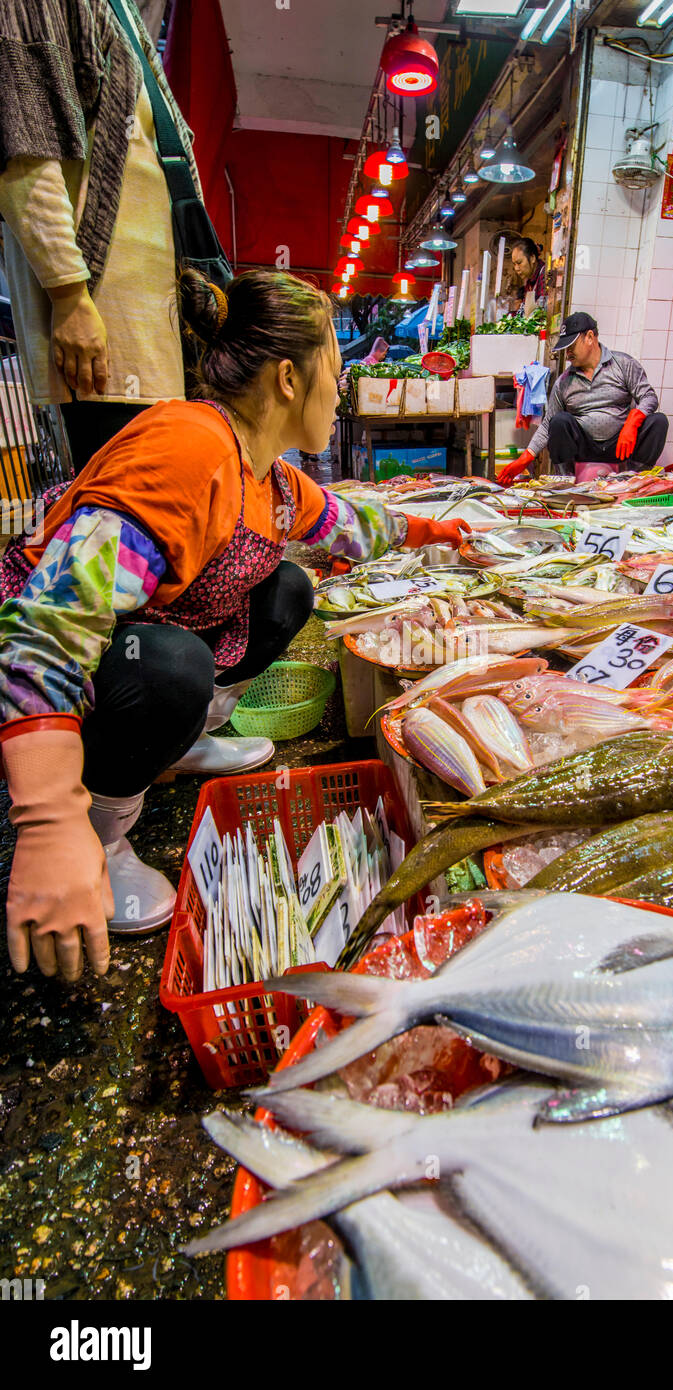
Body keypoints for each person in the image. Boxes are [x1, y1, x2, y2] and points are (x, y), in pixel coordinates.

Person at [0, 268, 466, 977]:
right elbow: (49, 623)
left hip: (134, 640)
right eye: (335, 370)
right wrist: (48, 821)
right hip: (54, 675)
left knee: (287, 587)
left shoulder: (268, 474)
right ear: (288, 377)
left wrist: (439, 531)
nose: (339, 394)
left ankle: (181, 742)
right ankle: (103, 835)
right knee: (172, 668)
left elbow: (347, 524)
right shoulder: (186, 449)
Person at [0, 0, 195, 472]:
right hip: (106, 322)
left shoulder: (120, 10)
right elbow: (23, 145)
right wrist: (68, 294)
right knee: (124, 513)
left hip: (150, 325)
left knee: (158, 505)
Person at [498, 312, 668, 484]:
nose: (568, 352)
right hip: (584, 447)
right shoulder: (563, 382)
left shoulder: (623, 364)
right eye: (566, 347)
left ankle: (634, 481)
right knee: (559, 421)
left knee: (658, 421)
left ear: (589, 337)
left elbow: (649, 397)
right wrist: (524, 460)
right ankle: (567, 481)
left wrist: (633, 421)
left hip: (620, 445)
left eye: (572, 345)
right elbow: (548, 424)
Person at [510, 237, 547, 312]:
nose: (516, 268)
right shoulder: (529, 283)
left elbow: (543, 311)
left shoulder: (544, 276)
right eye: (514, 264)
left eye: (519, 262)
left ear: (532, 258)